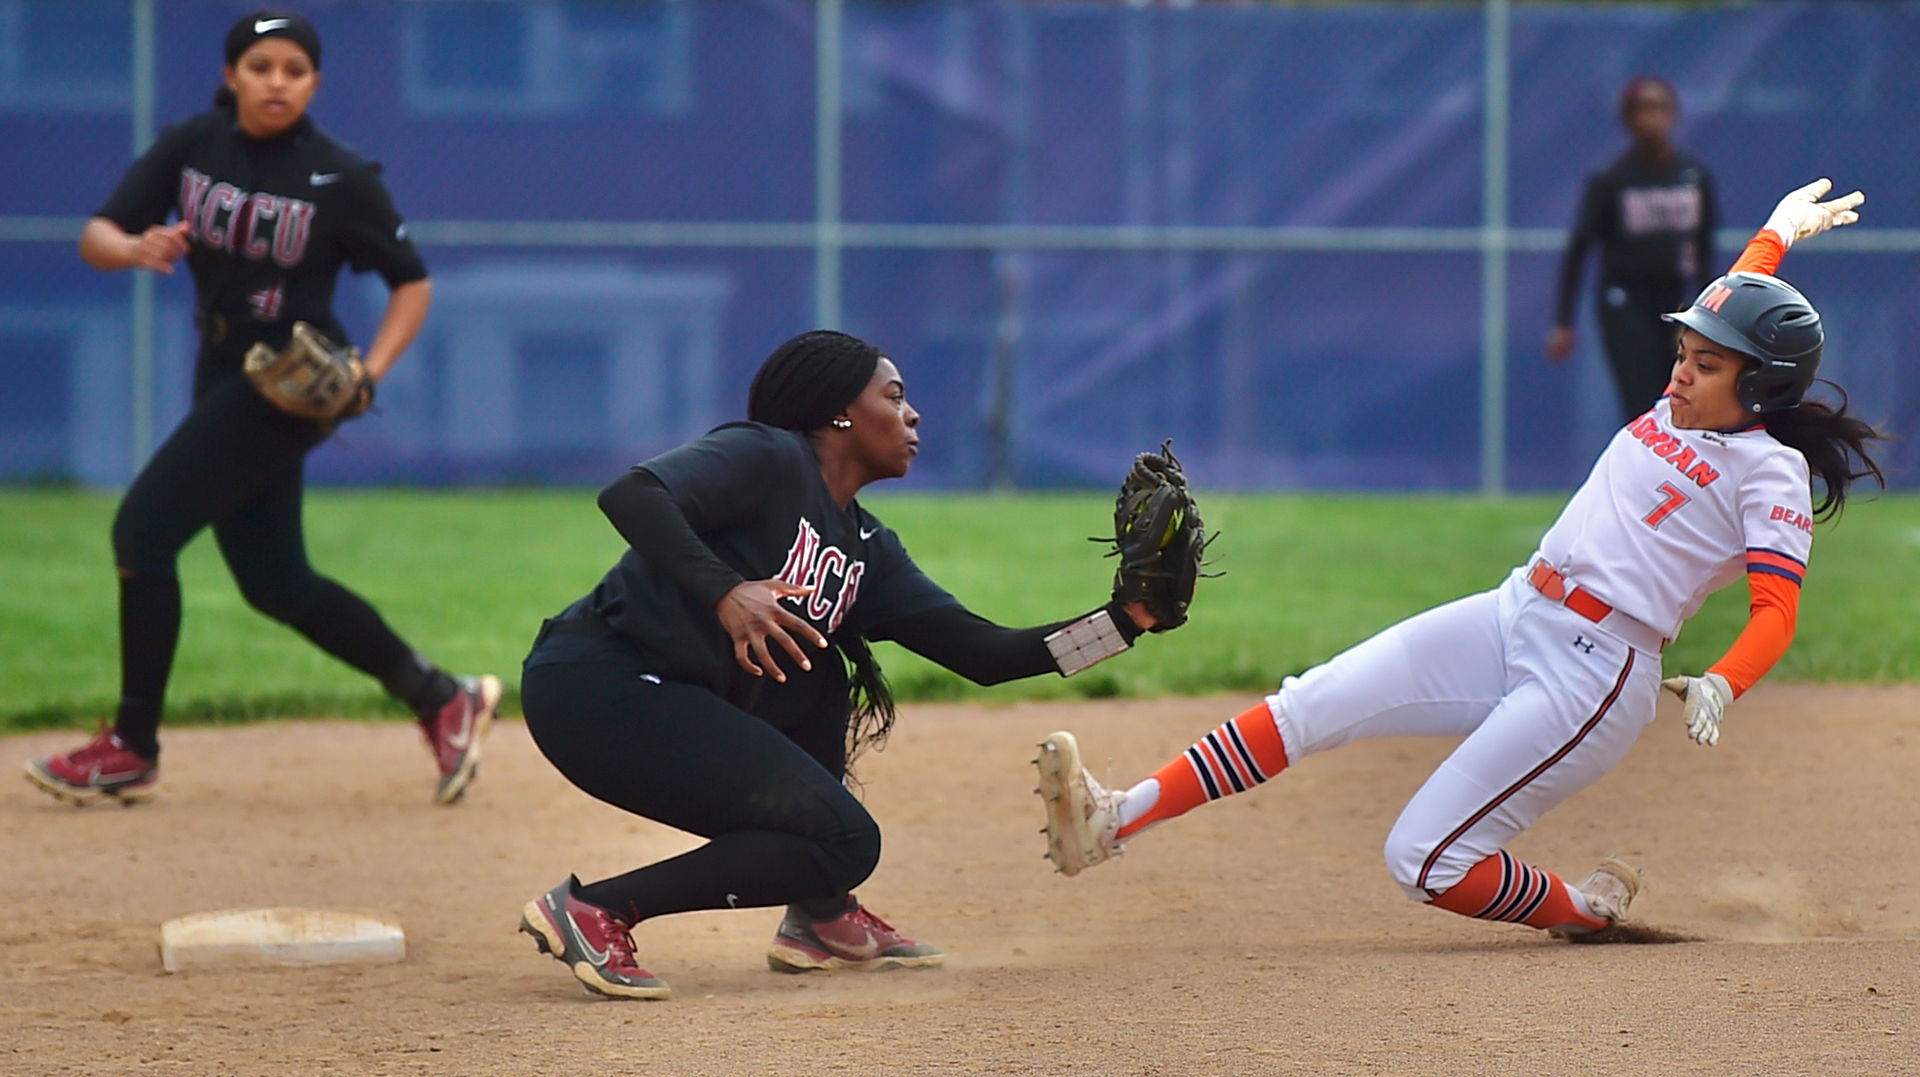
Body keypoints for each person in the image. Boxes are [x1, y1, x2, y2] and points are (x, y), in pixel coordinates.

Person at [1037, 181, 1878, 942]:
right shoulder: (1680, 405)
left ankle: (1583, 909)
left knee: (1423, 860)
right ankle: (1110, 822)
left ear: (1760, 385)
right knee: (1309, 705)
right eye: (1684, 355)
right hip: (1515, 609)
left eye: (1707, 363)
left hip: (1594, 676)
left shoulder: (1769, 473)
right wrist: (1776, 234)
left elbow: (1777, 611)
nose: (1683, 371)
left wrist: (1726, 682)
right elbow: (1733, 307)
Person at [517, 330, 1178, 1000]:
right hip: (596, 684)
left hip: (668, 699)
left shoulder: (866, 548)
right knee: (848, 841)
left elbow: (986, 655)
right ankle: (598, 908)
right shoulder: (769, 456)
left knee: (822, 672)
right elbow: (631, 495)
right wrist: (724, 589)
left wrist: (1126, 622)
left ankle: (820, 913)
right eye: (893, 396)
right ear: (838, 414)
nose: (913, 413)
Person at [24, 11, 499, 807]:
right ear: (231, 75)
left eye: (294, 69)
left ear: (313, 83)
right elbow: (96, 236)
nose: (276, 81)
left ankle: (132, 744)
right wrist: (136, 248)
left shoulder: (339, 175)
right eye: (260, 65)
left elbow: (411, 282)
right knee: (277, 582)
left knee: (143, 529)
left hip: (288, 382)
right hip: (219, 366)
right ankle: (443, 696)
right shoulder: (193, 145)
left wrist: (371, 372)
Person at [1549, 75, 1719, 423]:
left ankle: (1675, 477)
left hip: (1675, 300)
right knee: (1641, 404)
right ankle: (1640, 477)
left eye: (1660, 108)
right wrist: (1564, 321)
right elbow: (1579, 248)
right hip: (1625, 301)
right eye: (1642, 109)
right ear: (1627, 119)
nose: (1651, 118)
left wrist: (1708, 311)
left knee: (1679, 397)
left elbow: (1702, 248)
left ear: (1673, 114)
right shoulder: (1612, 179)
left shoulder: (1692, 175)